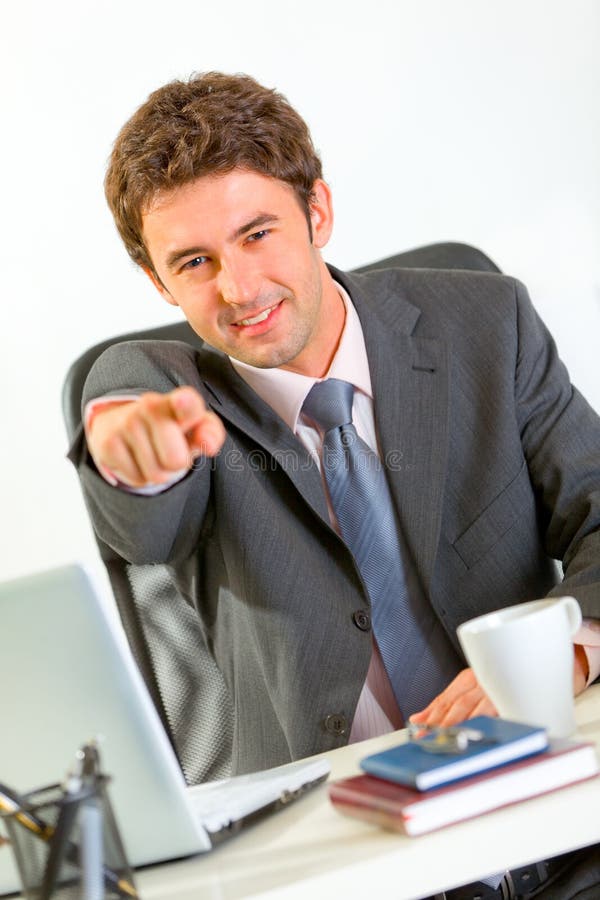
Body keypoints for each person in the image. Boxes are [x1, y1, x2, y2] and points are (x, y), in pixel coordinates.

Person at [71, 72, 600, 779]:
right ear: (158, 283)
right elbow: (141, 505)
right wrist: (133, 457)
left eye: (257, 234)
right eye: (194, 263)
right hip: (342, 837)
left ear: (317, 211)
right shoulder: (163, 391)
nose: (240, 289)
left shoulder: (487, 327)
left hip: (547, 804)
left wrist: (560, 654)